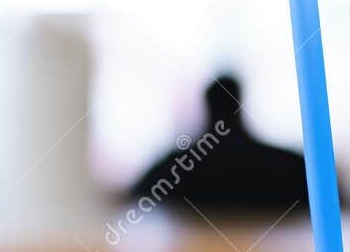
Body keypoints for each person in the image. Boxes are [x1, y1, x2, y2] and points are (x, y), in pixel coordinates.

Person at [129, 74, 315, 214]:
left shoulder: (173, 168)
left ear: (206, 105)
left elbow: (134, 202)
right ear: (241, 104)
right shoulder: (290, 165)